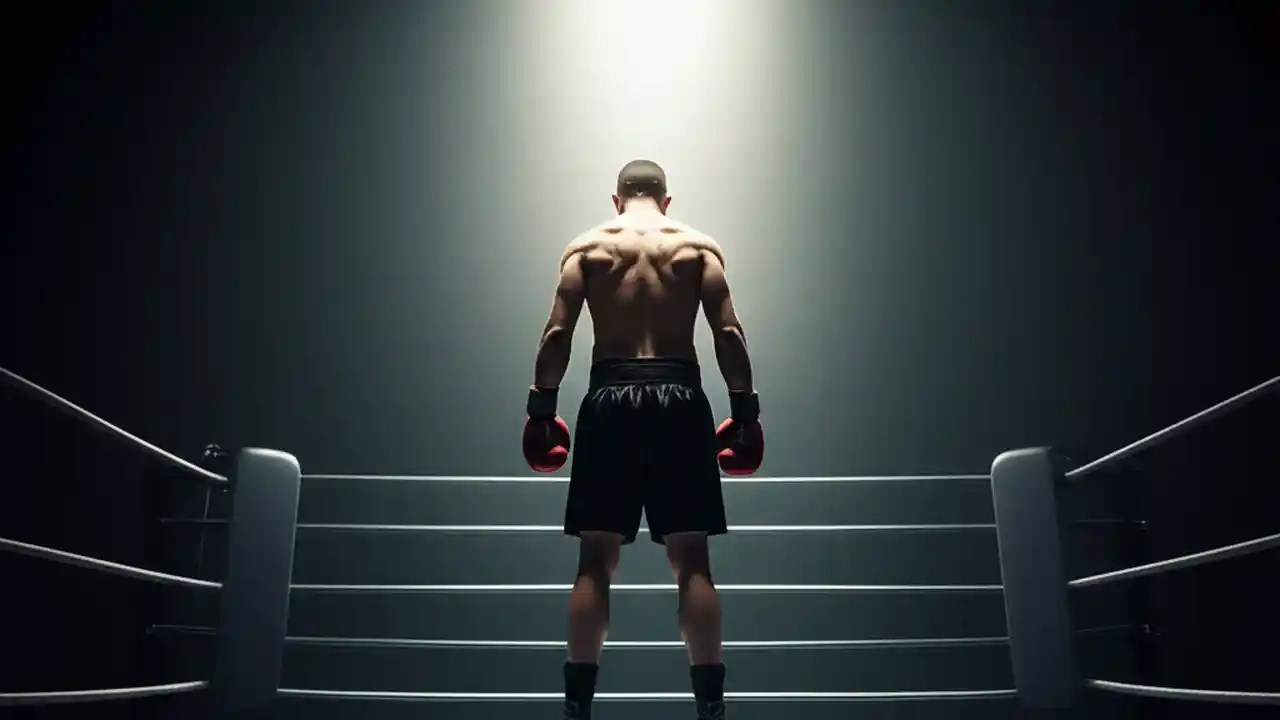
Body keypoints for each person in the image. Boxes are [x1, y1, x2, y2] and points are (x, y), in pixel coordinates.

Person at [522, 160, 765, 720]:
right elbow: (727, 333)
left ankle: (577, 703)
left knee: (594, 561)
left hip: (610, 398)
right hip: (680, 397)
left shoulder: (588, 246)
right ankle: (710, 703)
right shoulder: (696, 246)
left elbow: (558, 333)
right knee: (693, 560)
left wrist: (542, 409)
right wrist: (745, 413)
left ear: (616, 199)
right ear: (666, 199)